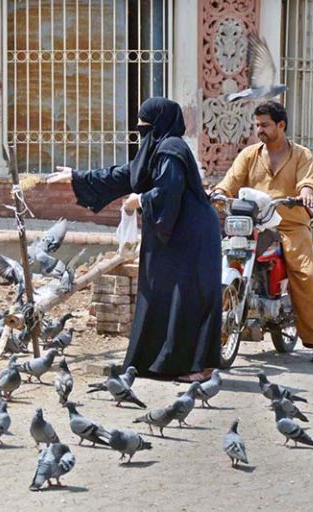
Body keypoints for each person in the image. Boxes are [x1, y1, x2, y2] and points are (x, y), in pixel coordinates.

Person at [47, 97, 222, 382]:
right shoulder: (157, 148)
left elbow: (168, 191)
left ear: (159, 122)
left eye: (145, 123)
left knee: (189, 296)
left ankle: (199, 368)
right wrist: (79, 178)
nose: (141, 128)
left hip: (192, 234)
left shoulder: (171, 149)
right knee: (163, 292)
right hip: (175, 232)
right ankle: (165, 361)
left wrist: (139, 200)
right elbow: (128, 174)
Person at [211, 101, 313, 366]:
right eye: (256, 125)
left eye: (265, 125)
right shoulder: (249, 154)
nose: (259, 130)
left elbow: (306, 182)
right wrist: (220, 192)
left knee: (305, 273)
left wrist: (306, 193)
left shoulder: (301, 155)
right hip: (256, 221)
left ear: (281, 125)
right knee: (223, 255)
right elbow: (231, 181)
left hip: (291, 223)